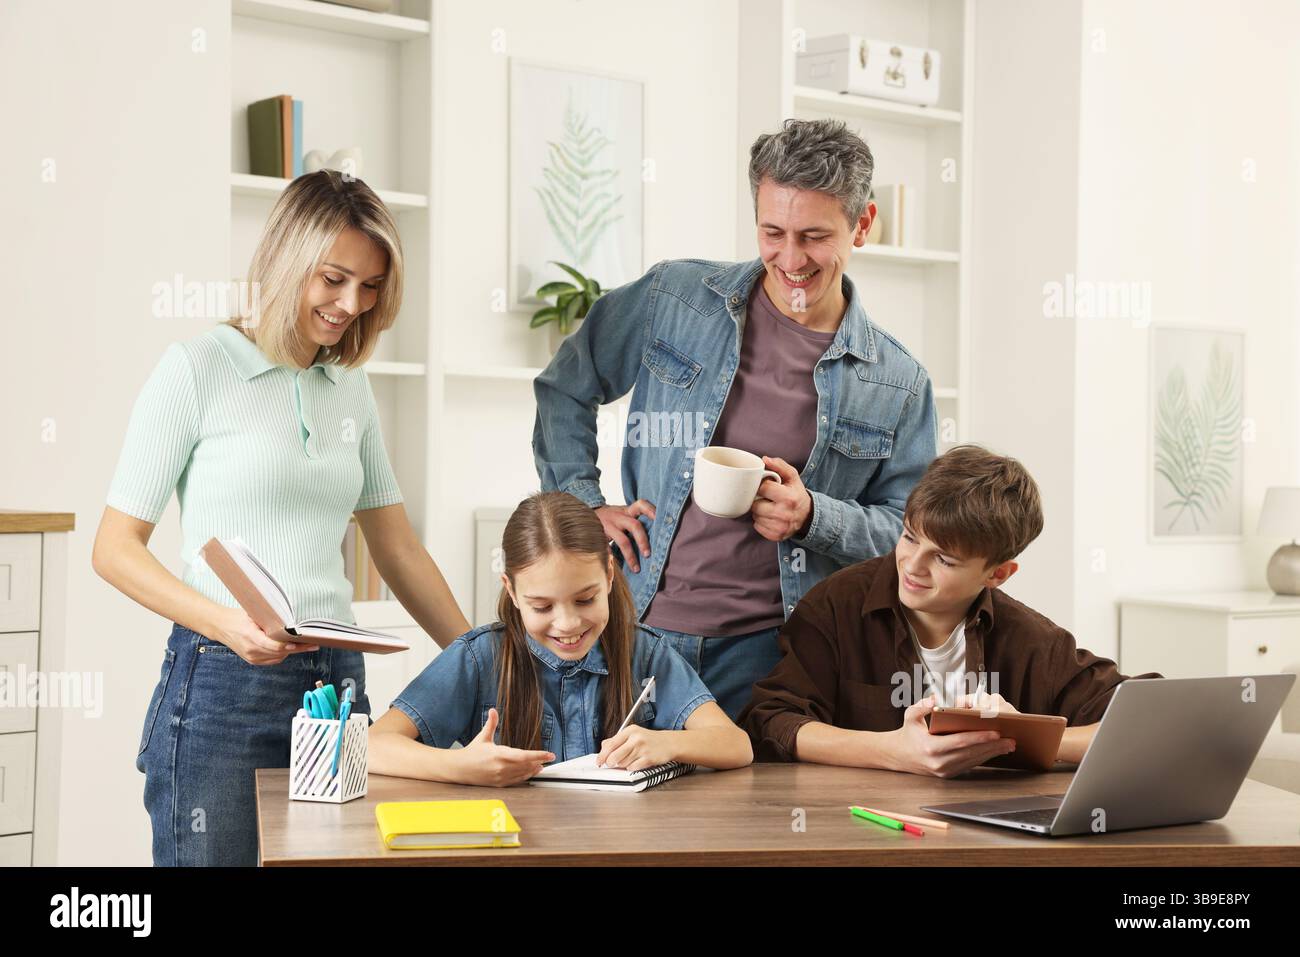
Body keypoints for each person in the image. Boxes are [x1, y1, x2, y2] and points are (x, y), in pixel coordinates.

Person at [93, 171, 470, 865]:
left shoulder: (350, 389)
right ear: (287, 257)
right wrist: (228, 624)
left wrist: (481, 658)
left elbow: (398, 550)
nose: (351, 303)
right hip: (223, 680)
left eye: (371, 286)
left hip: (338, 679)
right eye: (334, 278)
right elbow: (115, 548)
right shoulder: (197, 369)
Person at [533, 117, 937, 720]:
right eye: (772, 231)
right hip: (633, 628)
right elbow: (566, 386)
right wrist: (582, 502)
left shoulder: (898, 382)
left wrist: (813, 517)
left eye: (814, 236)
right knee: (604, 809)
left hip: (771, 655)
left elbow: (913, 536)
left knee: (747, 814)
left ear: (864, 225)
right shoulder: (674, 297)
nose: (790, 258)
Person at [740, 445, 1162, 777]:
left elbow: (1150, 719)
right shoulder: (837, 604)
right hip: (856, 831)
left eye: (943, 559)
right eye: (909, 537)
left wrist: (1022, 738)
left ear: (998, 574)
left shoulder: (1031, 639)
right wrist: (894, 752)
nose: (912, 565)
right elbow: (772, 721)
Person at [369, 491, 753, 783]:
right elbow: (370, 747)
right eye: (542, 607)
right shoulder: (478, 656)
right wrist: (459, 766)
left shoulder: (646, 653)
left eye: (585, 599)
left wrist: (668, 744)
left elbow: (736, 744)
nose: (567, 624)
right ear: (512, 591)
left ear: (608, 574)